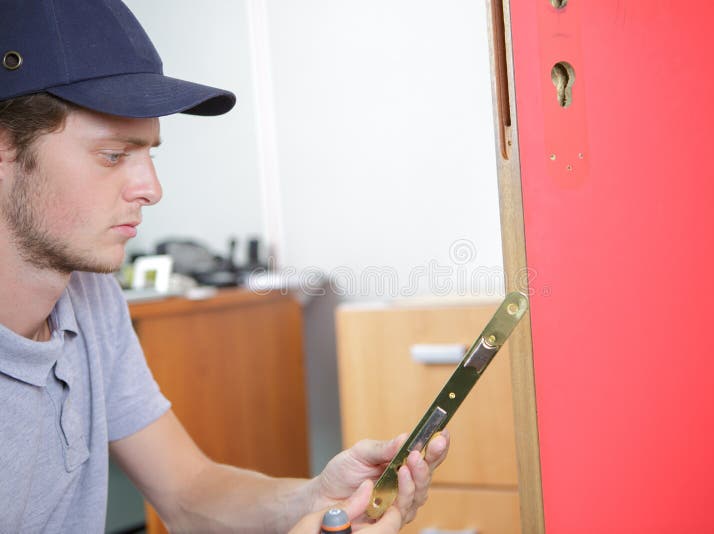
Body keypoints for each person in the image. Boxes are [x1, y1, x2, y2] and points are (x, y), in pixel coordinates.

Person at [0, 1, 449, 532]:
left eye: (150, 153)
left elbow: (190, 491)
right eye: (113, 155)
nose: (152, 189)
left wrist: (315, 497)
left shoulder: (93, 300)